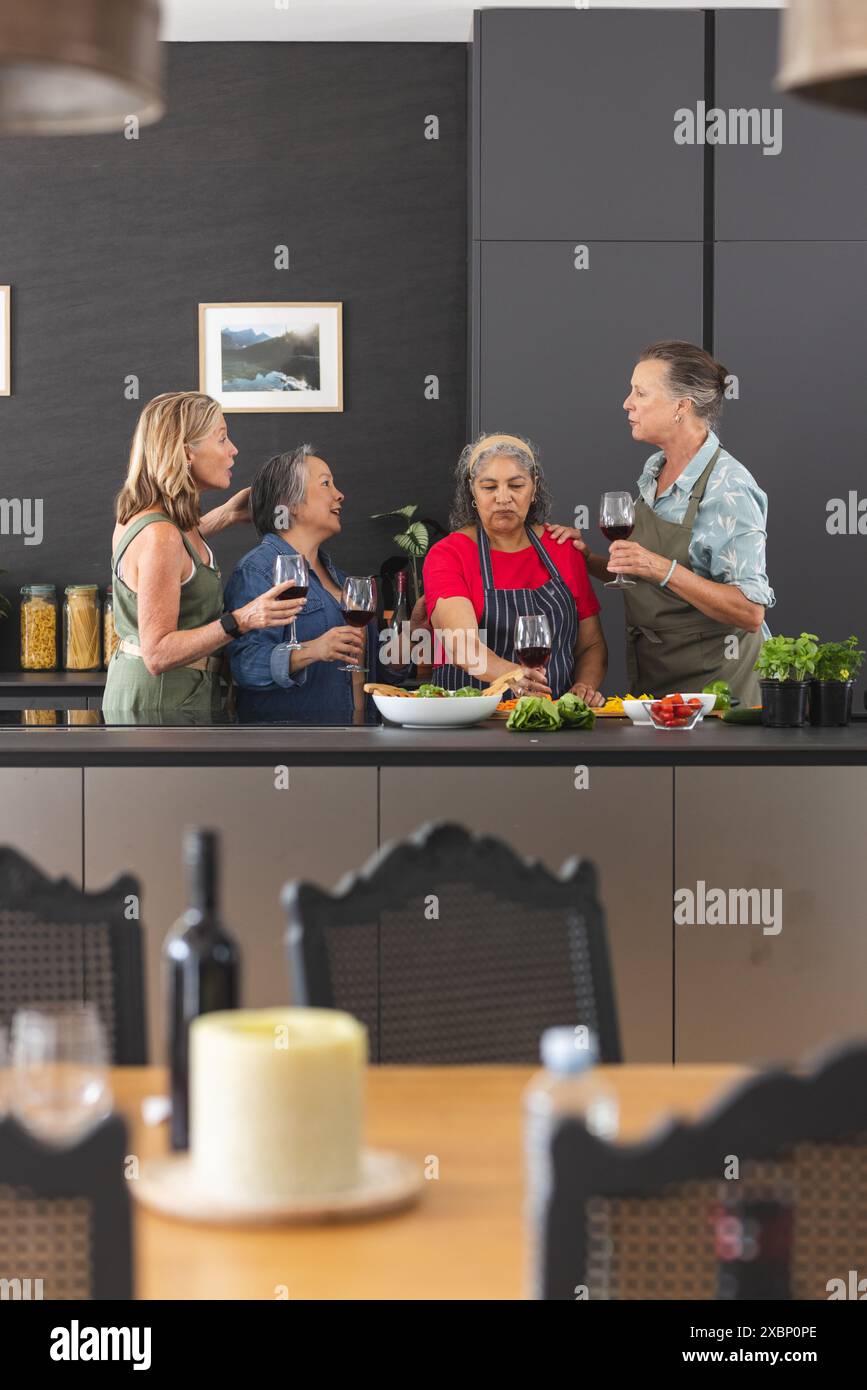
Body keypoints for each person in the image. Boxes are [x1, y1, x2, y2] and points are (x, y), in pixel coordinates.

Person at [548, 341, 774, 703]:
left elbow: (748, 611)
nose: (627, 403)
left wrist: (659, 567)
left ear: (680, 406)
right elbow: (647, 574)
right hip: (659, 683)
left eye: (640, 392)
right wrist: (588, 558)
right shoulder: (656, 470)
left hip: (722, 692)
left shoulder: (728, 487)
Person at [103, 392, 304, 719]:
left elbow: (172, 559)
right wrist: (244, 618)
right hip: (163, 700)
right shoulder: (160, 537)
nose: (233, 449)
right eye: (222, 438)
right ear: (186, 453)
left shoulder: (144, 519)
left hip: (169, 694)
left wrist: (223, 515)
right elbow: (157, 654)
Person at [422, 432, 607, 702]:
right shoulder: (449, 555)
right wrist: (513, 674)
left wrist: (584, 686)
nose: (503, 497)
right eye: (489, 487)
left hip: (553, 720)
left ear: (534, 489)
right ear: (472, 491)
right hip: (470, 722)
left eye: (516, 485)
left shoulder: (562, 549)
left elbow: (591, 645)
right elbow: (462, 646)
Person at [224, 446, 376, 722]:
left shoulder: (341, 579)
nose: (339, 494)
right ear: (290, 503)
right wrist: (311, 650)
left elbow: (369, 673)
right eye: (326, 483)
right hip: (294, 747)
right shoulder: (259, 570)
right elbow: (244, 666)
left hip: (355, 744)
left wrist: (404, 642)